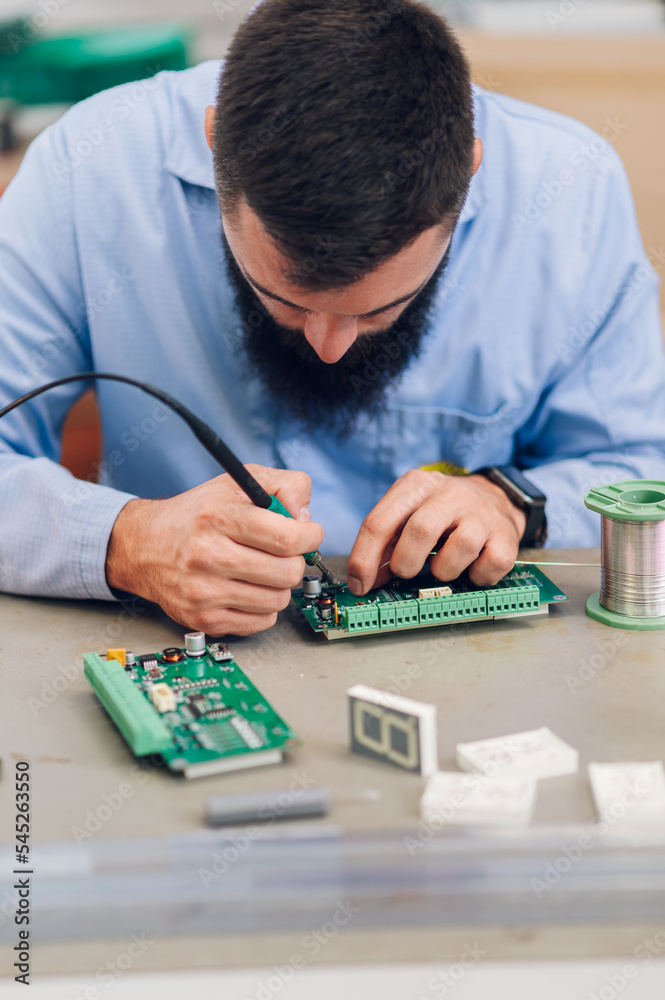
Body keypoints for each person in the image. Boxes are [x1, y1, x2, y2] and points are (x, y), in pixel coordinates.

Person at [0, 0, 664, 637]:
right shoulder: (86, 170)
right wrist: (126, 541)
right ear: (213, 148)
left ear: (469, 176)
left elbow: (638, 467)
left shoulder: (570, 194)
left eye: (380, 310)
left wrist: (513, 501)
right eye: (283, 299)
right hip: (176, 647)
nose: (327, 346)